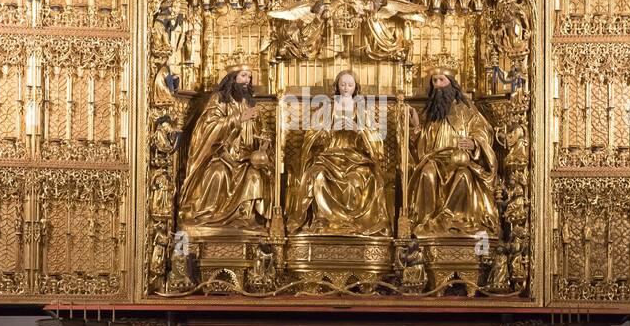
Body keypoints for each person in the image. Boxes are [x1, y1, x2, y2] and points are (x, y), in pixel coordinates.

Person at [285, 70, 390, 236]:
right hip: (330, 155)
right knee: (317, 174)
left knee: (361, 178)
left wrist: (359, 130)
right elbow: (312, 136)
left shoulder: (362, 111)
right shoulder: (327, 109)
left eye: (350, 84)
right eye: (343, 84)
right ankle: (324, 222)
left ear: (356, 87)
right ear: (337, 86)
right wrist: (329, 130)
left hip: (355, 157)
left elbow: (376, 139)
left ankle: (354, 224)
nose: (346, 88)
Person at [177, 66, 272, 234]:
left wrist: (263, 145)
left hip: (245, 158)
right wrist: (238, 119)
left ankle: (244, 218)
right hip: (219, 155)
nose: (247, 81)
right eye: (243, 76)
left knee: (254, 176)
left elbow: (259, 131)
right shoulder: (218, 100)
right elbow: (209, 129)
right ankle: (210, 216)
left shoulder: (249, 104)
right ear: (232, 78)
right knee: (217, 174)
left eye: (249, 77)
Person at [407, 69, 499, 237]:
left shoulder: (467, 111)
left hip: (460, 161)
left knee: (463, 176)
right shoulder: (431, 114)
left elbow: (483, 131)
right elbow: (422, 145)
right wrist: (416, 126)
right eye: (434, 81)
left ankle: (452, 220)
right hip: (435, 159)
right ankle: (428, 222)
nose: (437, 85)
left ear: (452, 83)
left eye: (441, 80)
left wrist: (474, 143)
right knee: (426, 173)